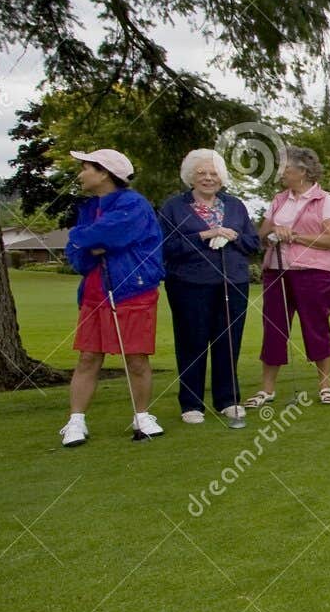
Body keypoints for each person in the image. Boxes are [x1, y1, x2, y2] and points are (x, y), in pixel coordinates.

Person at [60, 148, 166, 446]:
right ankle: (76, 421)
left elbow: (99, 236)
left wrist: (89, 241)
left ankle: (142, 416)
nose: (81, 174)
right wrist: (87, 243)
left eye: (85, 168)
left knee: (136, 358)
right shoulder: (88, 208)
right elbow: (77, 248)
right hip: (95, 292)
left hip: (133, 290)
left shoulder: (133, 204)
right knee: (88, 357)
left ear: (104, 172)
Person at [158, 149, 261, 424]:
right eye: (201, 173)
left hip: (233, 282)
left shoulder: (235, 205)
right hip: (189, 284)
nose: (208, 178)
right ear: (190, 176)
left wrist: (233, 235)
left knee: (228, 341)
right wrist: (206, 234)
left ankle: (228, 399)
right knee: (192, 341)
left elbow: (253, 243)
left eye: (213, 173)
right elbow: (166, 246)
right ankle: (191, 403)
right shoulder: (174, 207)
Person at [248, 146, 330, 405]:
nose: (281, 174)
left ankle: (325, 385)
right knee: (274, 328)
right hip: (277, 271)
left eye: (285, 169)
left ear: (302, 171)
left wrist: (295, 236)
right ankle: (267, 389)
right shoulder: (279, 200)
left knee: (316, 327)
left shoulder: (325, 200)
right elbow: (262, 237)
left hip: (314, 273)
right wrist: (275, 230)